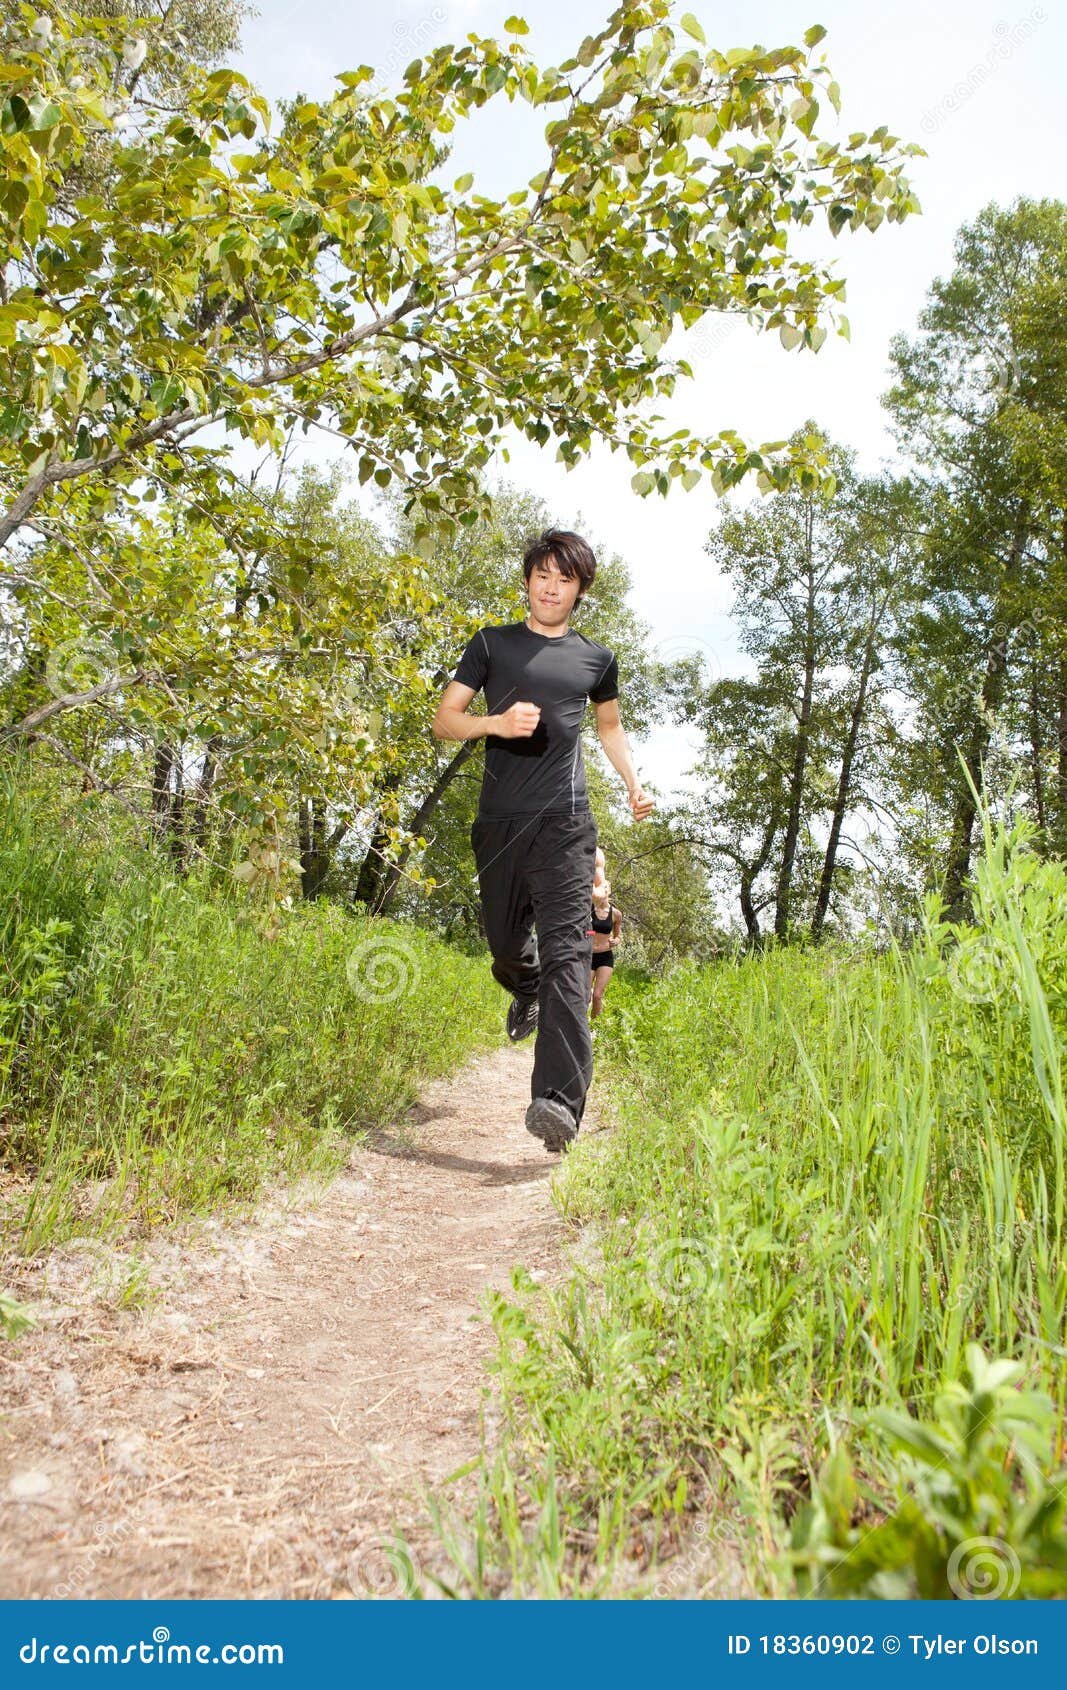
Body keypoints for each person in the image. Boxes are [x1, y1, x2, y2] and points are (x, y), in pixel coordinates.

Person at [431, 528, 654, 1154]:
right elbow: (444, 719)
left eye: (565, 579)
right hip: (500, 821)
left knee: (568, 953)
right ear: (528, 580)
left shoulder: (597, 659)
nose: (551, 587)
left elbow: (609, 730)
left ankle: (557, 1103)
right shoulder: (490, 644)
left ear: (580, 589)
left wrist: (634, 784)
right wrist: (494, 723)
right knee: (504, 943)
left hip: (566, 824)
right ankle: (522, 984)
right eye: (542, 576)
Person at [588, 846, 622, 1020]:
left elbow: (617, 935)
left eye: (605, 889)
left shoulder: (616, 914)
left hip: (605, 956)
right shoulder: (588, 910)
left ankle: (595, 1026)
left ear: (608, 892)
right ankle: (580, 1026)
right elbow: (583, 930)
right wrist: (589, 932)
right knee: (585, 996)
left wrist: (616, 940)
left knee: (597, 995)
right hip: (589, 956)